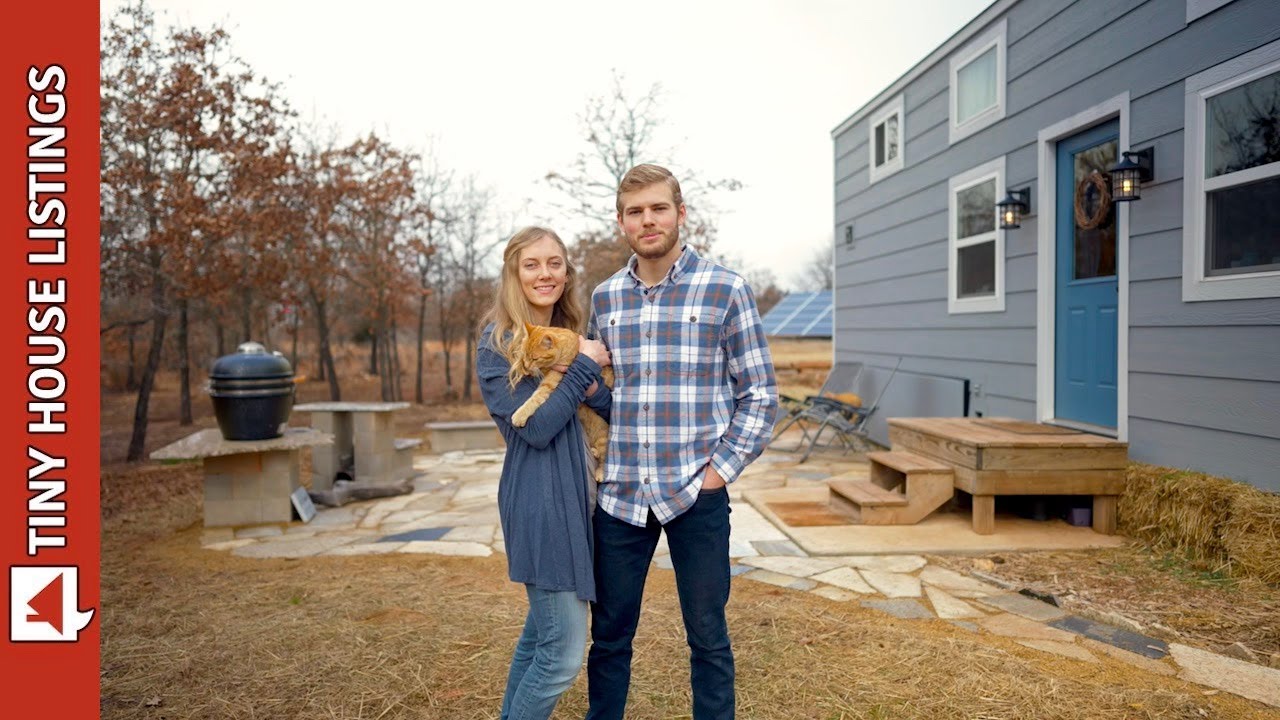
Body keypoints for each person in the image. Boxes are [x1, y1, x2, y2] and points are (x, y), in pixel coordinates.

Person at [585, 164, 778, 719]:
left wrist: (717, 474)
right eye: (635, 211)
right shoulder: (605, 298)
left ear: (680, 213)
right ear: (621, 221)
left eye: (658, 208)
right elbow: (606, 391)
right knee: (609, 637)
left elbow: (761, 394)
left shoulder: (726, 289)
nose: (648, 220)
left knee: (708, 637)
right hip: (621, 497)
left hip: (697, 493)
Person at [476, 226, 612, 720]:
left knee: (540, 640)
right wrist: (581, 368)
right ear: (514, 273)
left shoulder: (575, 332)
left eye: (555, 263)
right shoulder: (497, 344)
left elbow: (608, 409)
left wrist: (592, 384)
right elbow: (534, 429)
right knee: (560, 657)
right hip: (541, 503)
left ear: (567, 273)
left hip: (579, 502)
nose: (545, 274)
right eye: (531, 264)